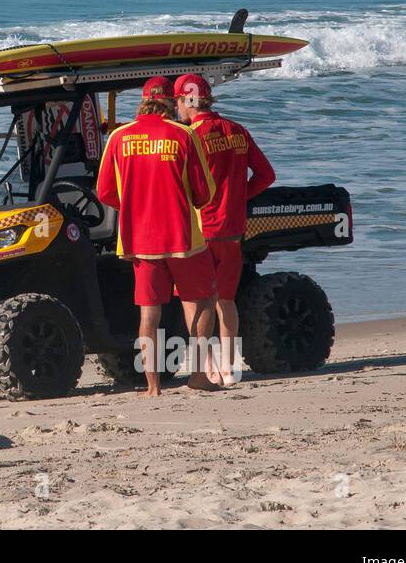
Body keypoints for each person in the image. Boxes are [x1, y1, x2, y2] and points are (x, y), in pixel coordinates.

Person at [96, 77, 218, 395]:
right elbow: (204, 193)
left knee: (149, 313)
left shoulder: (118, 137)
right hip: (183, 237)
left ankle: (153, 386)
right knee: (203, 301)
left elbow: (105, 192)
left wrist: (136, 205)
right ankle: (199, 375)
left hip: (139, 239)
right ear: (171, 102)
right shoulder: (183, 134)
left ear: (143, 100)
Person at [173, 73, 276, 386]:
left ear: (186, 101)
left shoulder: (189, 136)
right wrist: (239, 196)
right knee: (225, 301)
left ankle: (208, 367)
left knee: (195, 301)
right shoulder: (237, 130)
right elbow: (266, 175)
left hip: (200, 230)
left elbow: (181, 185)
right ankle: (229, 368)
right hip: (232, 229)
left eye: (177, 102)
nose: (176, 108)